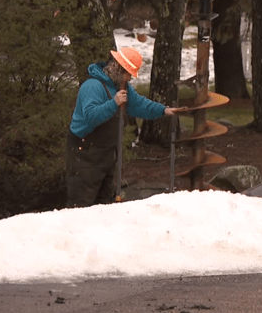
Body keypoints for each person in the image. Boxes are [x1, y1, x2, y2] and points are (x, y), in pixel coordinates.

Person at [66, 47, 183, 208]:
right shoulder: (92, 86)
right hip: (84, 154)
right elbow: (91, 117)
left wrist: (164, 110)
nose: (130, 78)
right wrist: (113, 103)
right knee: (81, 206)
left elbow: (140, 105)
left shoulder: (122, 87)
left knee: (103, 205)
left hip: (106, 155)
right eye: (128, 73)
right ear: (118, 69)